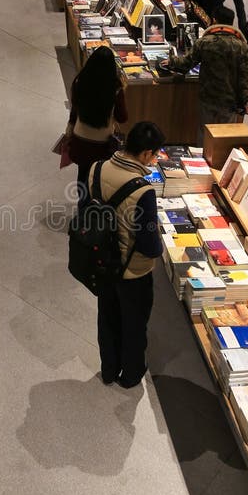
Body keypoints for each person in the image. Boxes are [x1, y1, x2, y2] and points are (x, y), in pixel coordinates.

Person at [88, 121, 165, 388]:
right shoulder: (143, 191)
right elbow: (148, 246)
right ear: (145, 154)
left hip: (101, 261)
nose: (155, 160)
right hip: (133, 271)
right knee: (133, 326)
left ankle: (109, 369)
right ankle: (131, 375)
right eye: (155, 155)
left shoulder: (96, 169)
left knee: (107, 317)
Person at [167, 5, 248, 138]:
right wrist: (244, 101)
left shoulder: (205, 42)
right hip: (230, 102)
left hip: (207, 98)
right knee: (225, 138)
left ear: (214, 20)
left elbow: (185, 64)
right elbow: (244, 78)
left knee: (204, 135)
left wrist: (171, 60)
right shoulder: (241, 46)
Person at [66, 45, 128, 208]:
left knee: (82, 175)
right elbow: (122, 118)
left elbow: (74, 109)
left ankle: (83, 209)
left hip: (80, 139)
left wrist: (70, 127)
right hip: (103, 144)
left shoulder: (80, 81)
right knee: (99, 179)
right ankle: (96, 213)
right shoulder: (115, 89)